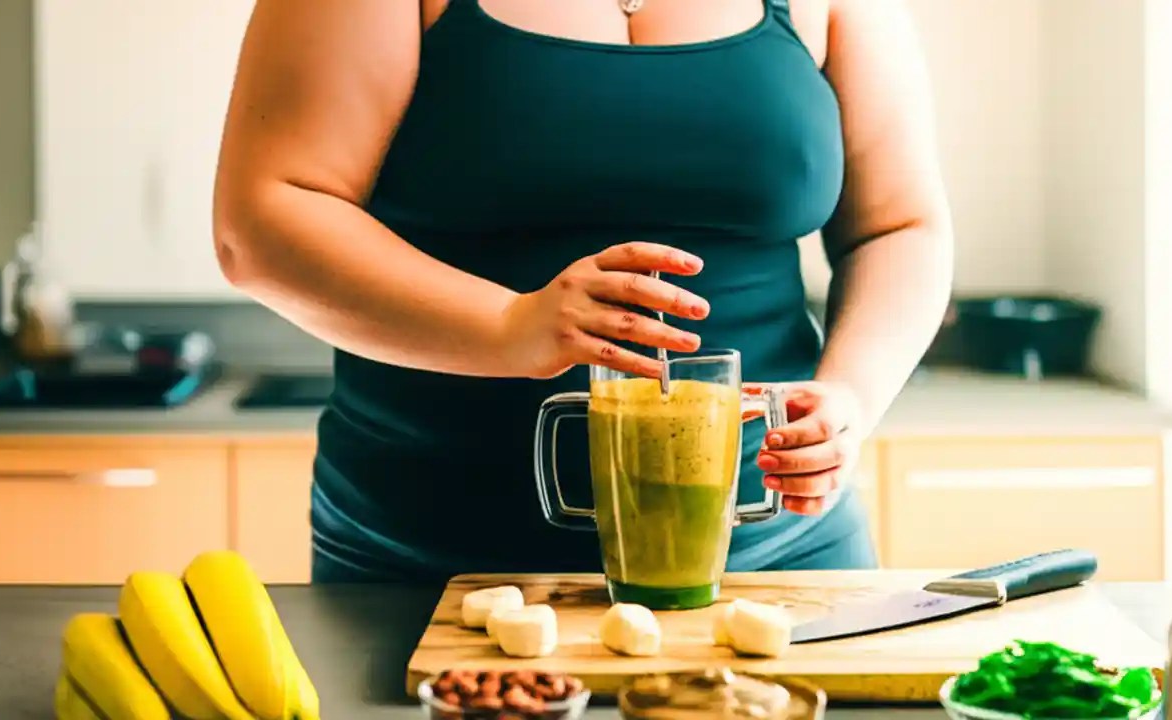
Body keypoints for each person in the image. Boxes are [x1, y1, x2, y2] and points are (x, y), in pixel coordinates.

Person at [212, 0, 953, 583]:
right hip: (437, 563)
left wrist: (852, 394)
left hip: (778, 559)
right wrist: (509, 325)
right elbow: (263, 221)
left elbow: (900, 227)